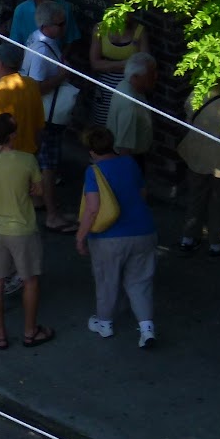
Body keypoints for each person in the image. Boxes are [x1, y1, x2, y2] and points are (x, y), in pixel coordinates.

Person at [77, 126, 158, 348]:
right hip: (143, 230)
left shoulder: (93, 172)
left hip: (109, 237)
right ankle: (146, 328)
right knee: (140, 281)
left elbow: (92, 209)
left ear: (92, 151)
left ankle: (104, 323)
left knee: (107, 280)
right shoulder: (130, 163)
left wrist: (80, 236)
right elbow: (142, 194)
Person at [0, 113, 51, 348]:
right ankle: (30, 332)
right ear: (12, 135)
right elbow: (38, 191)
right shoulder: (27, 160)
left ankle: (0, 335)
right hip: (22, 229)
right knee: (30, 281)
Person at [22, 0, 73, 226]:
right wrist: (62, 76)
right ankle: (53, 215)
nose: (65, 28)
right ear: (49, 25)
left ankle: (38, 200)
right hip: (46, 115)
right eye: (61, 24)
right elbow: (36, 86)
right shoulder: (42, 49)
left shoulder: (37, 37)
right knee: (48, 165)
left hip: (39, 113)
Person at [176, 86, 220, 257]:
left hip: (197, 155)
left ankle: (188, 238)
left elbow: (188, 112)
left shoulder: (199, 92)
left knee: (195, 198)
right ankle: (215, 244)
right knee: (218, 203)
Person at [89, 10, 148, 126]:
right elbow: (95, 64)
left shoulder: (140, 32)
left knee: (124, 125)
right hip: (105, 88)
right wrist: (127, 64)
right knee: (102, 125)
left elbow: (145, 64)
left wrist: (107, 65)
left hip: (130, 87)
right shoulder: (100, 29)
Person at [106, 52, 157, 169]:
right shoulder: (130, 104)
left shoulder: (123, 85)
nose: (155, 76)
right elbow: (124, 147)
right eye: (151, 73)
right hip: (130, 160)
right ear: (135, 77)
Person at [10, 0, 82, 48]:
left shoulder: (64, 7)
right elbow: (15, 42)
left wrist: (61, 58)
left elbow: (70, 39)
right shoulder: (21, 10)